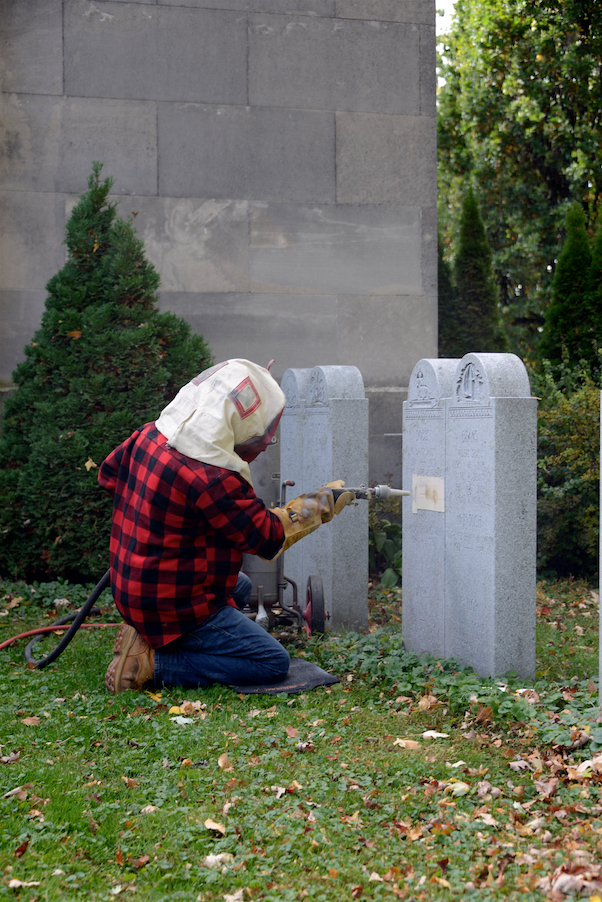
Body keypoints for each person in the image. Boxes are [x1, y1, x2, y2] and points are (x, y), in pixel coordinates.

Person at [98, 359, 354, 694]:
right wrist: (317, 506)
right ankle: (153, 665)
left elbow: (108, 476)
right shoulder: (210, 477)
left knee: (241, 587)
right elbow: (266, 537)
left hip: (135, 585)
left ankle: (147, 635)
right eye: (263, 434)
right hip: (167, 601)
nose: (264, 444)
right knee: (270, 663)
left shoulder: (149, 435)